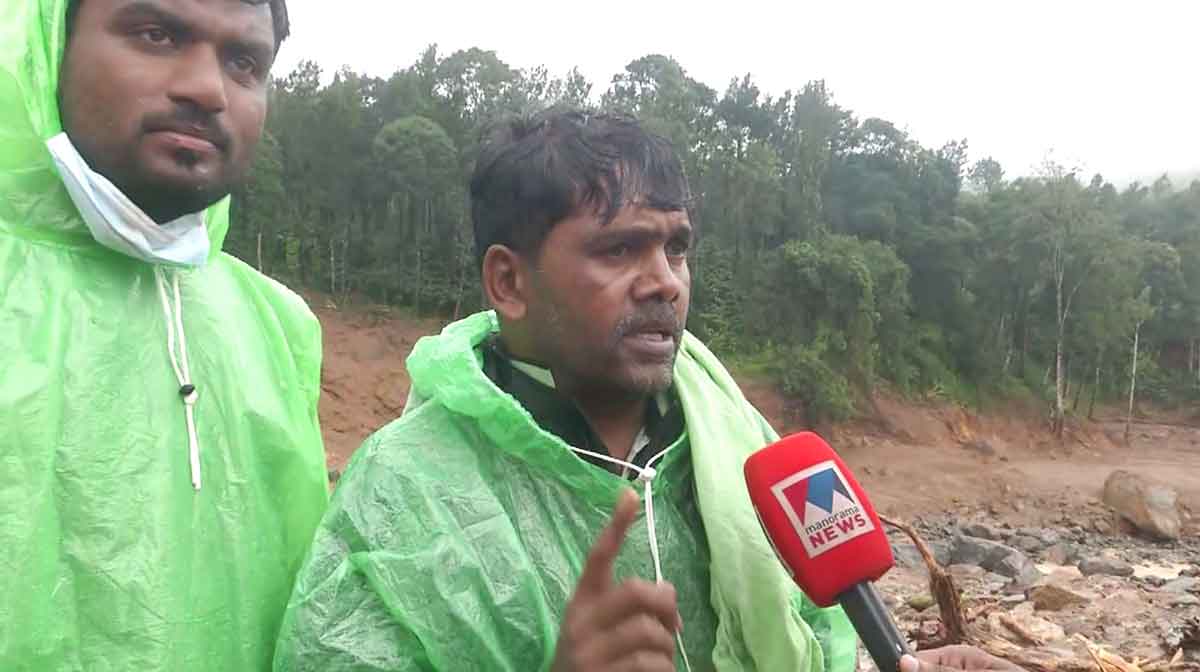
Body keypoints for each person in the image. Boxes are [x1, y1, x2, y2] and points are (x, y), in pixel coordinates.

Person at [270, 109, 996, 672]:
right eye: (619, 248)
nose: (666, 282)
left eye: (676, 247)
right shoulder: (405, 492)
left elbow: (812, 645)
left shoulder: (742, 451)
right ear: (509, 281)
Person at [0, 0, 328, 669]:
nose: (207, 89)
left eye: (244, 62)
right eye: (156, 34)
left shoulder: (278, 327)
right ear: (48, 41)